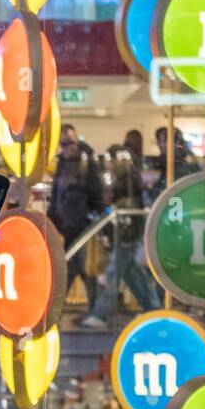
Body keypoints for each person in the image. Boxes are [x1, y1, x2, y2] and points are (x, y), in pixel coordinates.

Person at [81, 138, 160, 329]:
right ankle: (153, 309)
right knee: (132, 273)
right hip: (130, 232)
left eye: (110, 158)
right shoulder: (131, 176)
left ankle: (100, 314)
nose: (107, 162)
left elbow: (118, 207)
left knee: (113, 273)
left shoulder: (122, 178)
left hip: (125, 233)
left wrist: (109, 216)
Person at [47, 124, 104, 315]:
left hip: (83, 226)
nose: (67, 148)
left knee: (80, 268)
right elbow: (56, 195)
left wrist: (94, 219)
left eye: (70, 143)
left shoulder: (87, 163)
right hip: (65, 225)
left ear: (77, 141)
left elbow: (97, 194)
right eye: (63, 144)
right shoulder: (61, 164)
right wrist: (52, 220)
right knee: (74, 268)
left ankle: (89, 310)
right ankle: (91, 310)